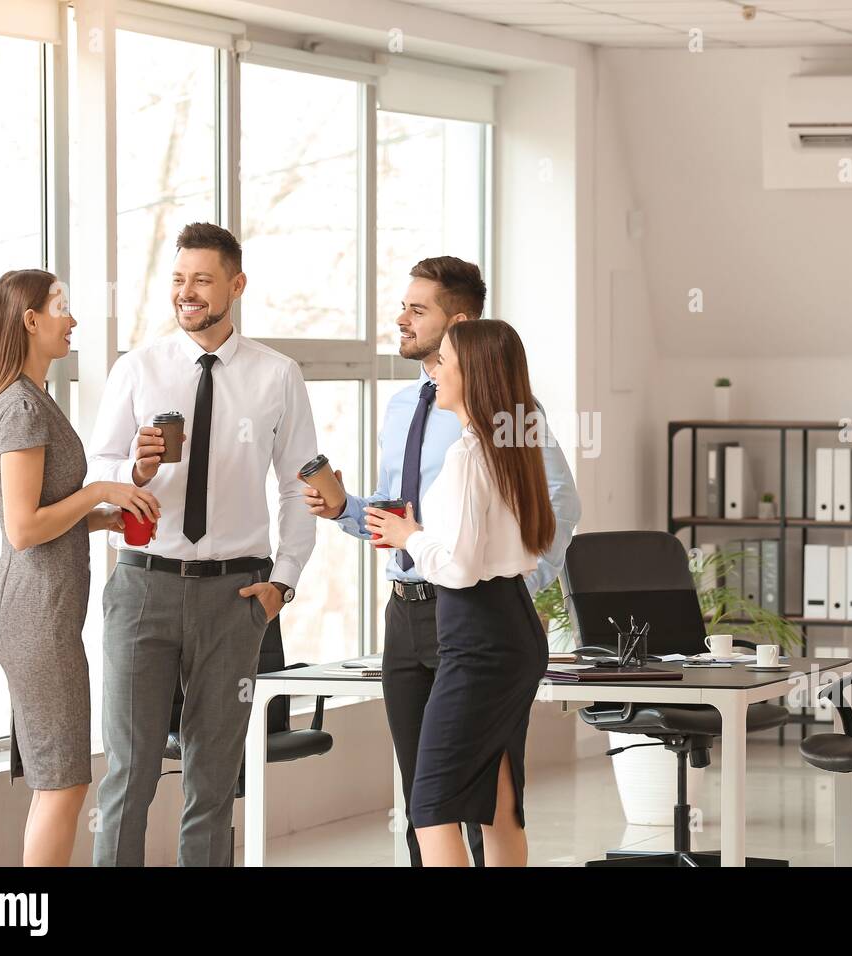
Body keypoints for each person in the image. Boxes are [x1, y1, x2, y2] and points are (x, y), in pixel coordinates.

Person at [303, 257, 580, 866]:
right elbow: (396, 514)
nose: (401, 318)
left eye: (417, 309)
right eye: (403, 305)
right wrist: (345, 508)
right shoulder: (405, 406)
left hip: (473, 613)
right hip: (408, 613)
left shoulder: (511, 416)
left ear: (459, 323)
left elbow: (556, 501)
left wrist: (507, 581)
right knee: (422, 792)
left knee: (479, 799)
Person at [86, 223, 317, 866]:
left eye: (202, 280)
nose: (186, 293)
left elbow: (300, 486)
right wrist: (134, 470)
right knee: (128, 775)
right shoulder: (138, 369)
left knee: (212, 781)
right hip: (143, 586)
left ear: (236, 286)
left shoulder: (278, 375)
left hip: (234, 594)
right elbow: (97, 476)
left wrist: (284, 581)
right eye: (178, 280)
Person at [0, 269, 160, 866]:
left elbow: (42, 515)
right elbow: (24, 528)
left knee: (58, 778)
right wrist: (102, 487)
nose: (73, 320)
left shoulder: (31, 400)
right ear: (30, 320)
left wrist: (99, 518)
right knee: (63, 781)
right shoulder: (23, 408)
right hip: (36, 618)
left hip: (39, 613)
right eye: (62, 308)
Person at [366, 319, 555, 866]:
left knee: (431, 806)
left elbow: (458, 568)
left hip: (477, 639)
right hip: (512, 628)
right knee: (498, 800)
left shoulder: (470, 456)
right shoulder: (510, 449)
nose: (436, 370)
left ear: (471, 375)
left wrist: (410, 536)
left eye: (444, 361)